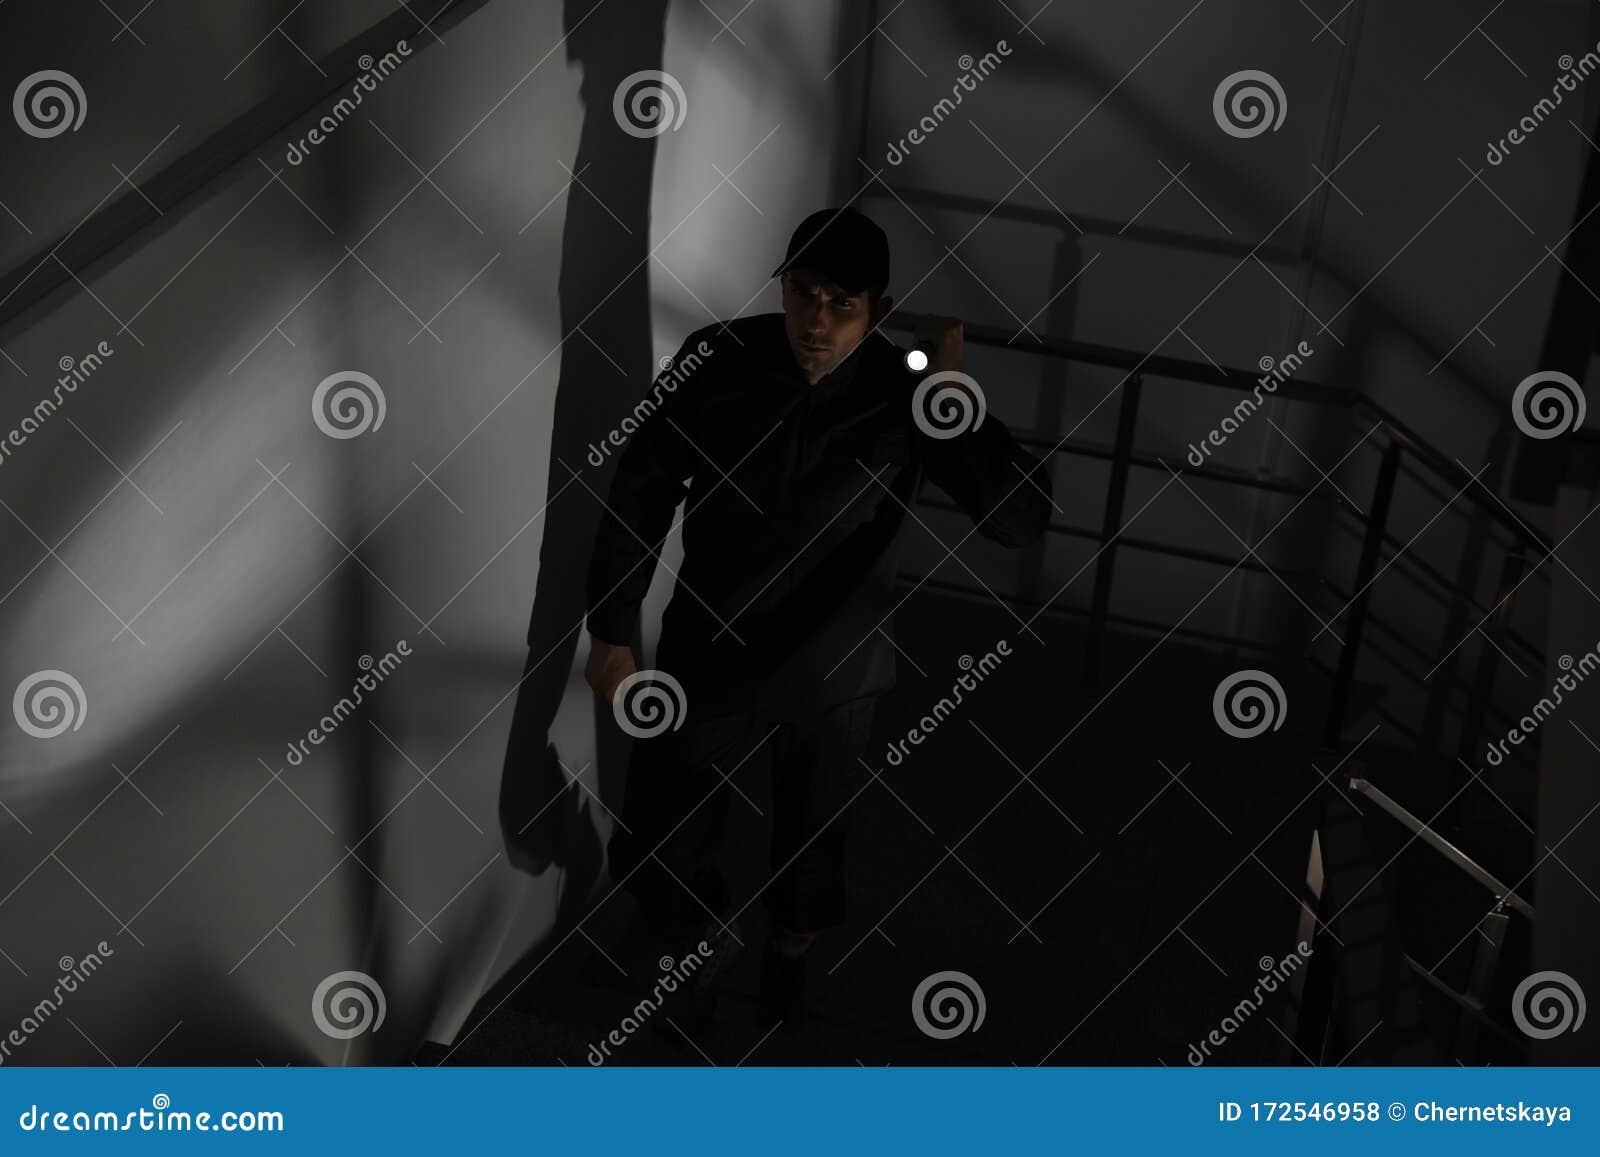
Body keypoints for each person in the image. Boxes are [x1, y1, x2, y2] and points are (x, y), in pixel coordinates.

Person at [582, 206, 1051, 1037]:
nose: (817, 323)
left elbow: (1018, 518)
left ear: (876, 308)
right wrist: (612, 629)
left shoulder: (905, 394)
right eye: (805, 295)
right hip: (714, 641)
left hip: (833, 662)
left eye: (843, 305)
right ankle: (698, 947)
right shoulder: (718, 360)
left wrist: (951, 394)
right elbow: (642, 490)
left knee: (810, 842)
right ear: (784, 287)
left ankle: (786, 965)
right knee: (665, 826)